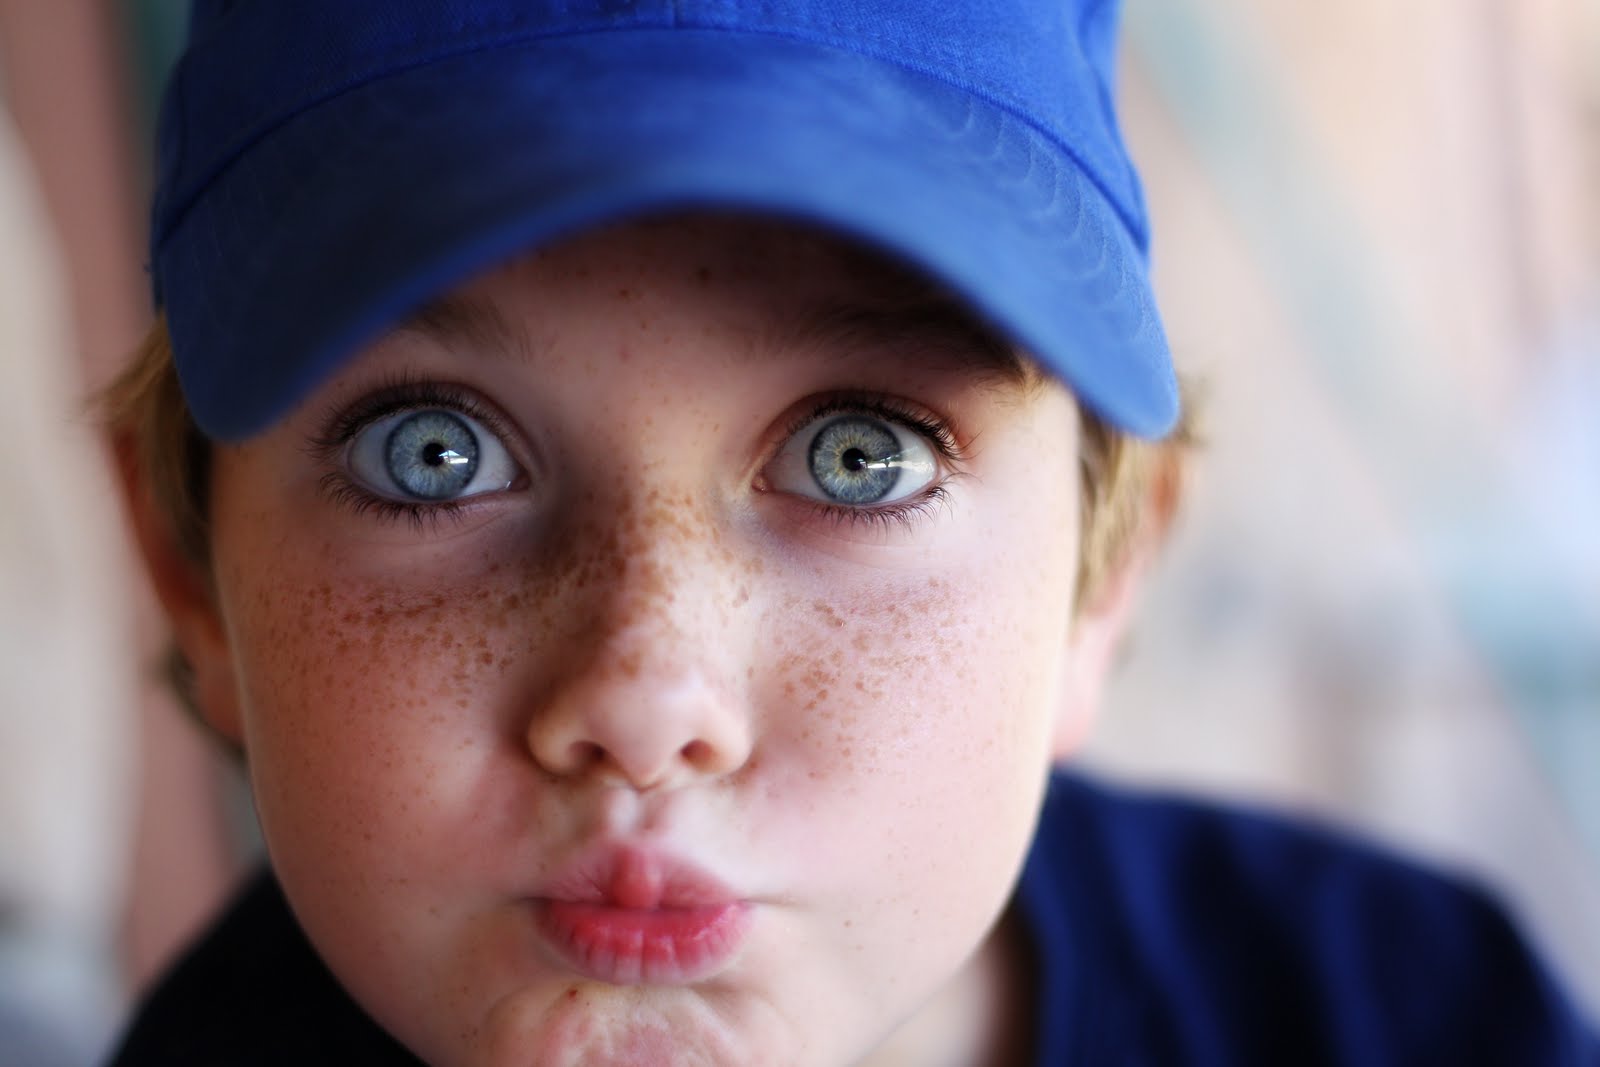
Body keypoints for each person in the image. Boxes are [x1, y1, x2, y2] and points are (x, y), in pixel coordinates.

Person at [106, 1, 1599, 1064]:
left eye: (861, 455)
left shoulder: (1407, 1015)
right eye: (431, 455)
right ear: (192, 572)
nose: (646, 699)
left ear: (1105, 571)